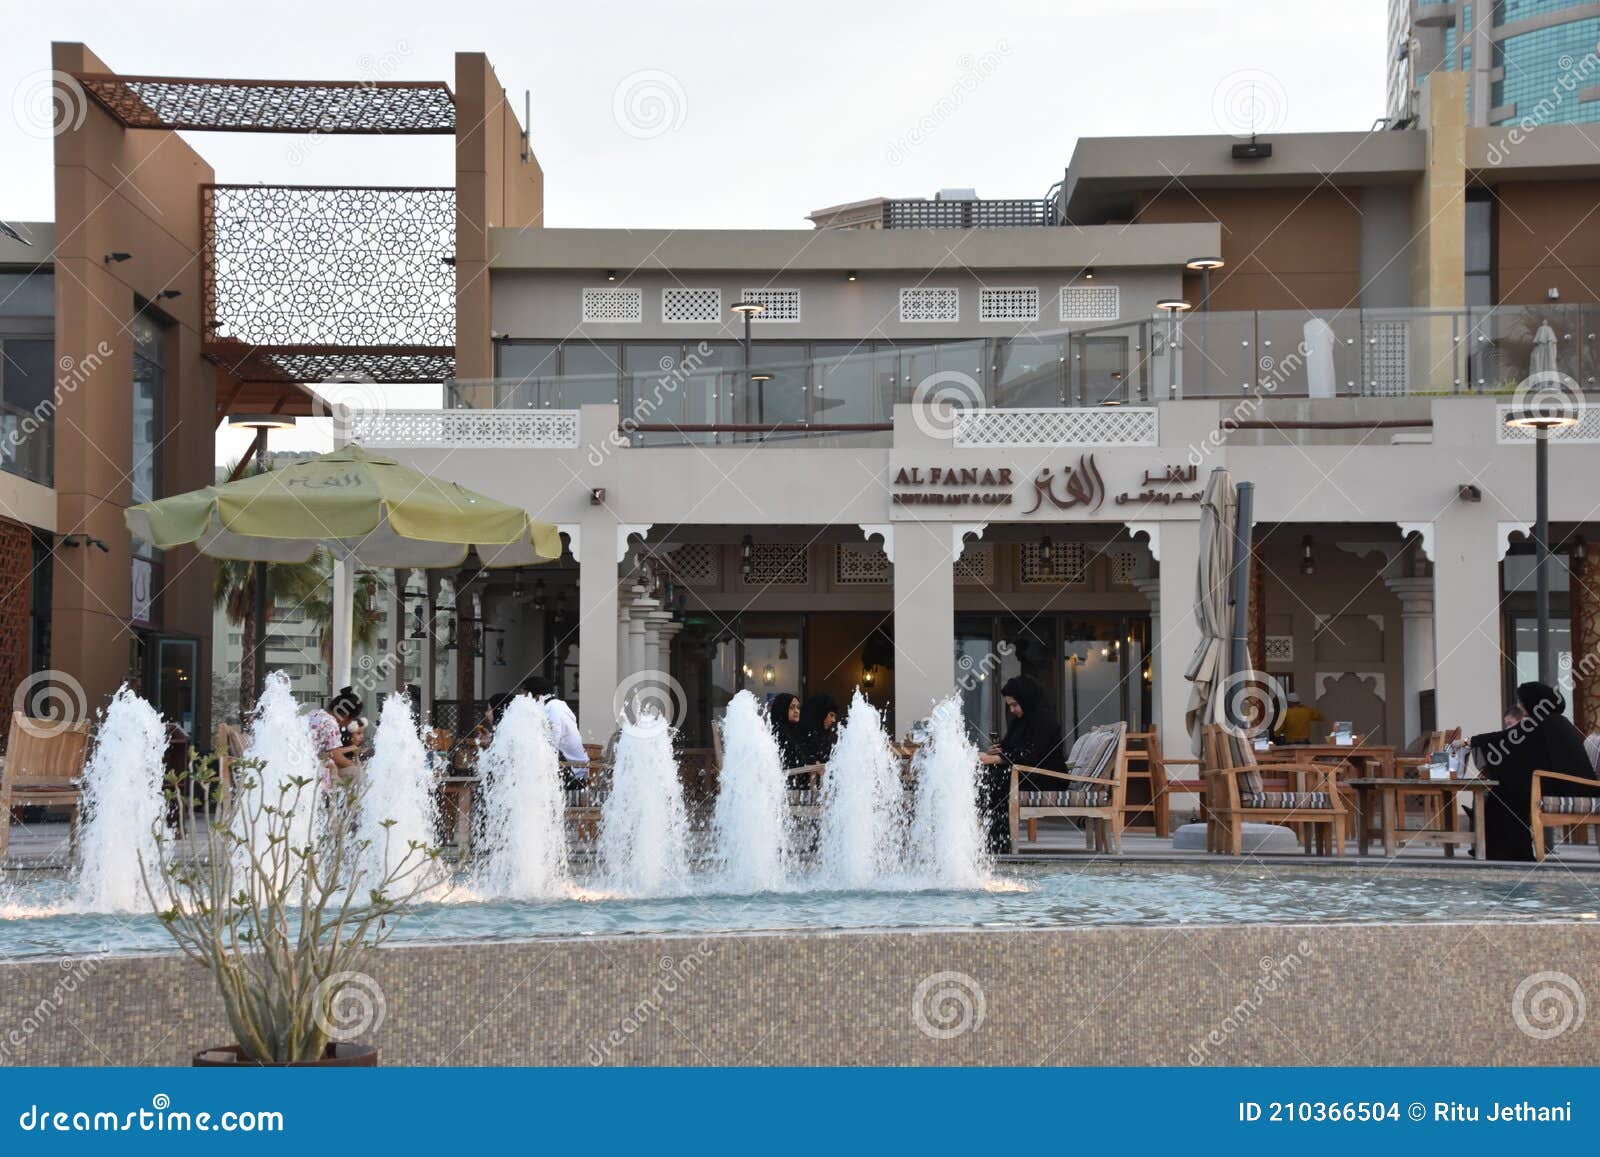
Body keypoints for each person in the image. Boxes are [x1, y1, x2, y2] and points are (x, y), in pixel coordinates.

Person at [1457, 681, 1597, 861]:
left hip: (1573, 788)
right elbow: (1514, 742)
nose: (1519, 705)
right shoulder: (1549, 722)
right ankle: (1503, 850)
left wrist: (1471, 742)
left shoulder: (1549, 723)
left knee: (1508, 790)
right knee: (1507, 788)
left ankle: (1506, 851)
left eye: (1522, 701)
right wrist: (1474, 742)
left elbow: (1507, 739)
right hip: (1564, 783)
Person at [976, 675, 1064, 854]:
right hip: (1026, 772)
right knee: (984, 776)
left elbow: (1031, 754)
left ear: (1027, 699)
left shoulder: (1044, 721)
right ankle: (989, 838)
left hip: (1046, 776)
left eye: (1015, 704)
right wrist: (999, 751)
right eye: (1009, 705)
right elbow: (1015, 748)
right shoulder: (1021, 721)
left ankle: (998, 842)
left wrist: (997, 759)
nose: (1012, 709)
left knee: (995, 779)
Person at [521, 676, 589, 783]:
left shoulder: (554, 708)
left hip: (574, 771)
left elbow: (552, 743)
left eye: (525, 695)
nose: (524, 699)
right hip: (567, 766)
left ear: (537, 695)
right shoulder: (555, 705)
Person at [308, 686, 364, 788]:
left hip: (304, 765)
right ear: (347, 717)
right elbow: (335, 755)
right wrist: (354, 765)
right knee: (358, 773)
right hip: (316, 774)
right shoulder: (331, 723)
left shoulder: (314, 714)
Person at [798, 693, 841, 764]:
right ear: (821, 713)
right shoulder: (799, 736)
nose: (833, 720)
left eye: (834, 716)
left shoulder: (824, 738)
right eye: (831, 715)